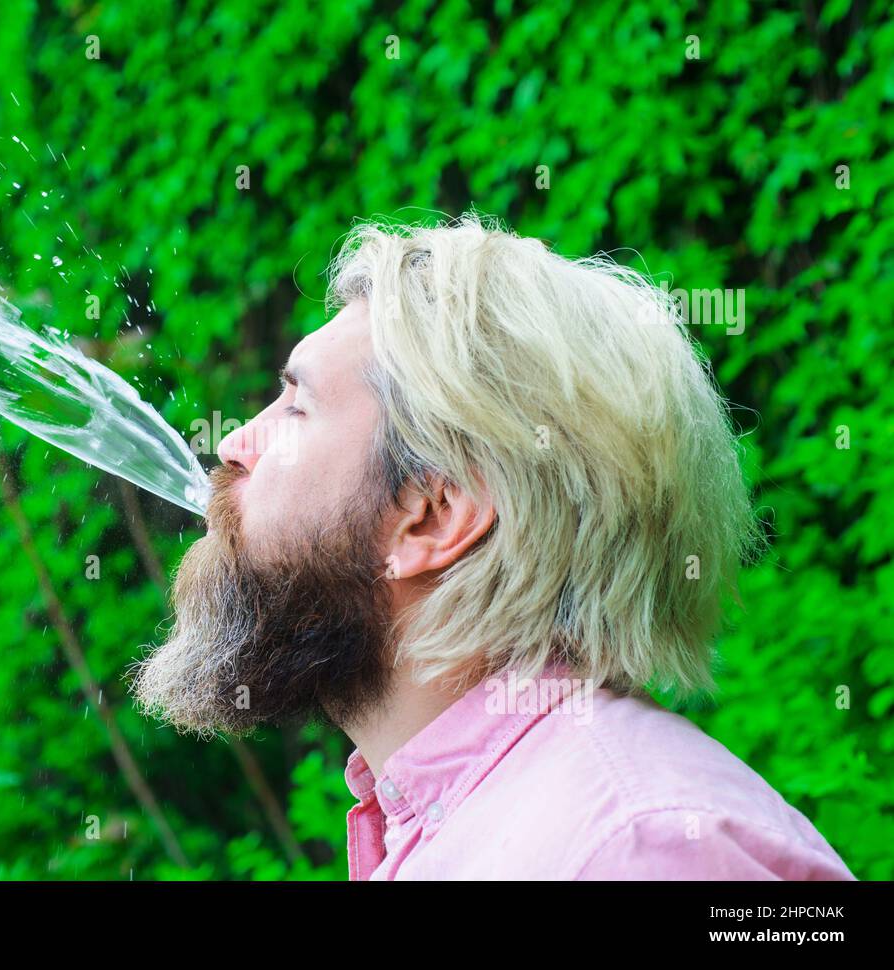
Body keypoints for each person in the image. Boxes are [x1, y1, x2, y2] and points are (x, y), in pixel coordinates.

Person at [128, 214, 855, 880]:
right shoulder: (463, 824)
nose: (233, 444)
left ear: (435, 516)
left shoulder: (635, 852)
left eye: (296, 407)